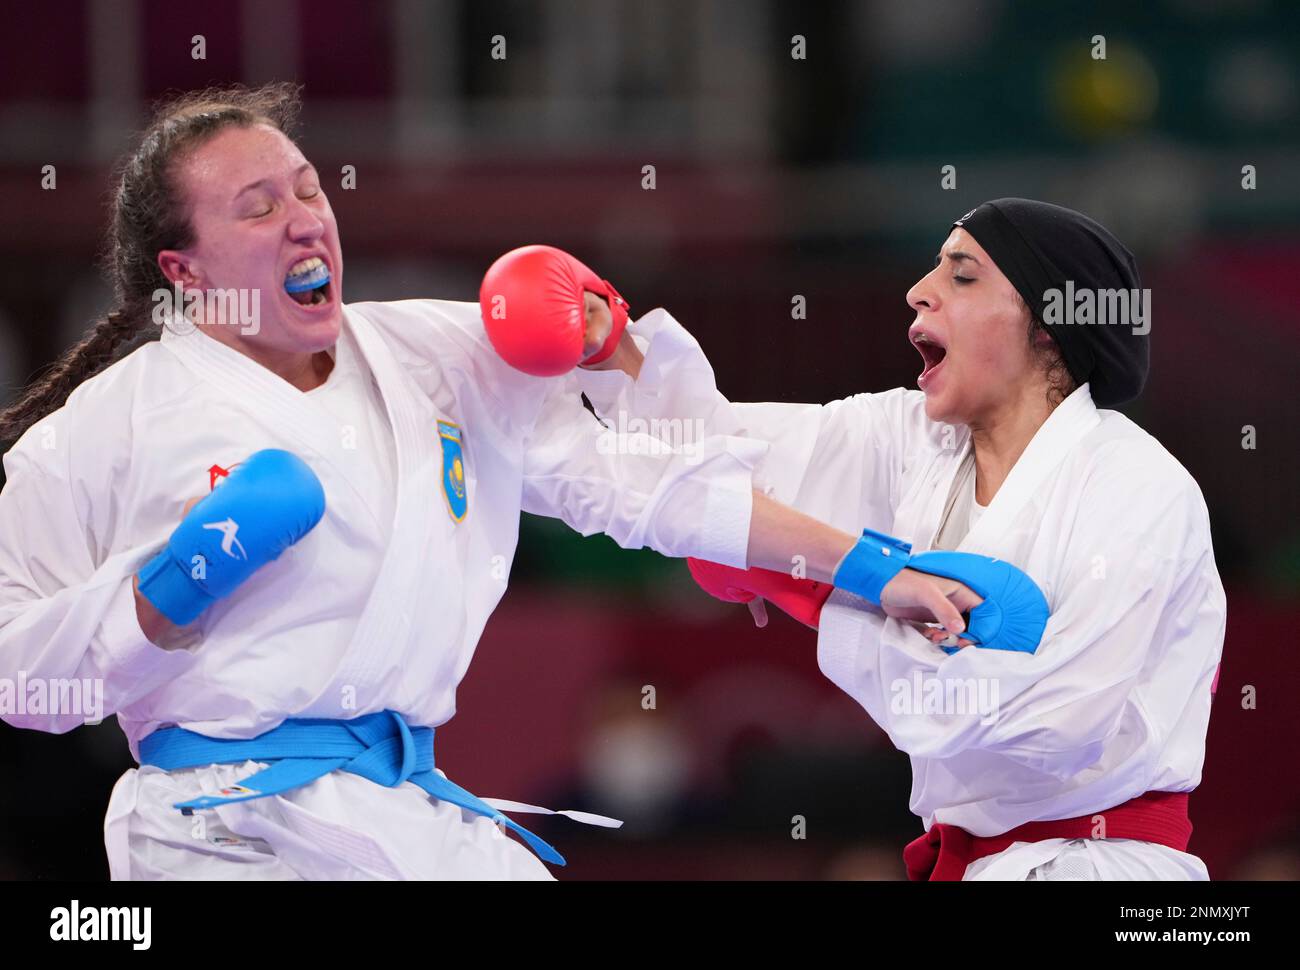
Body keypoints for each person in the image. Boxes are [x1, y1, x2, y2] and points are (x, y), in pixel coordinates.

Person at [0, 83, 1002, 880]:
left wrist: (875, 571)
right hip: (214, 833)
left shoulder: (437, 354)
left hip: (406, 813)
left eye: (308, 188)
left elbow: (654, 488)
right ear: (183, 270)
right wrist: (156, 599)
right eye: (257, 207)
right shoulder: (98, 433)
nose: (305, 220)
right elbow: (17, 675)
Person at [573, 199, 1226, 881]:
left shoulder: (1137, 486)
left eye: (963, 275)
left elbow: (1052, 726)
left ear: (1048, 326)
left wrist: (827, 593)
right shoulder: (917, 440)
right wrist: (612, 346)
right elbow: (713, 455)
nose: (918, 290)